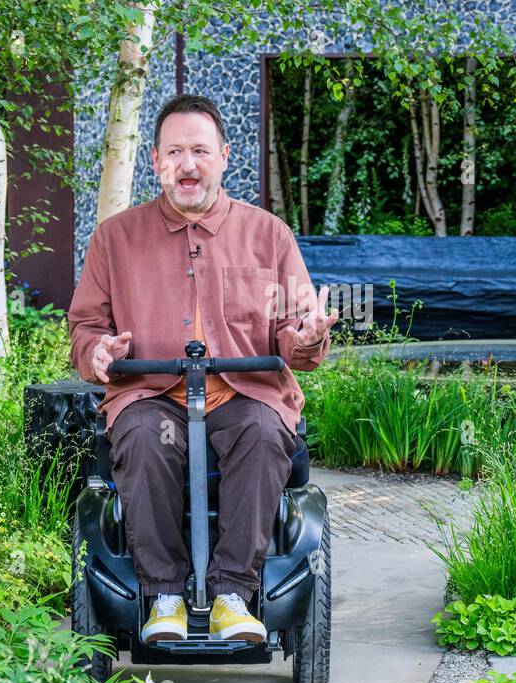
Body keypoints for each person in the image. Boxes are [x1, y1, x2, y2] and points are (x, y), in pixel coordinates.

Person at [67, 93, 338, 645]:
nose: (188, 165)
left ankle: (233, 596)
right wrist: (96, 353)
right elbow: (86, 326)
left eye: (200, 151)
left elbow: (294, 332)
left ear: (224, 156)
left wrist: (307, 339)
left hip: (243, 393)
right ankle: (163, 595)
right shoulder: (114, 239)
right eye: (175, 152)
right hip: (151, 394)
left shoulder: (269, 235)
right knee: (143, 437)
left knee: (264, 433)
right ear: (155, 160)